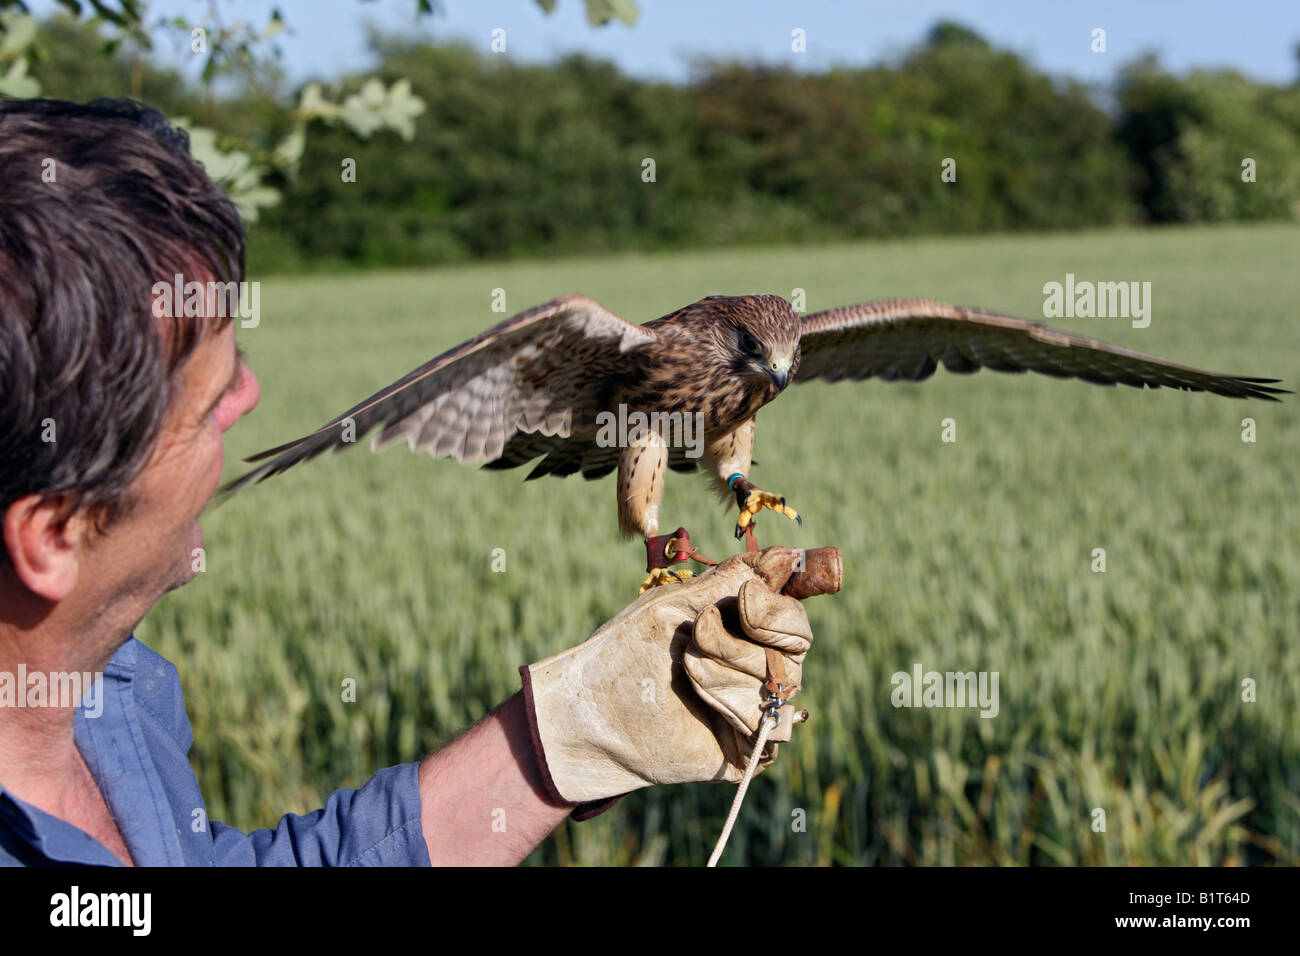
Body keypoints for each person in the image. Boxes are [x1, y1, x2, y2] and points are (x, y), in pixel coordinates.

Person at [0, 98, 821, 866]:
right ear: (54, 536)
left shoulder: (109, 689)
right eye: (206, 400)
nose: (249, 395)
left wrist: (574, 731)